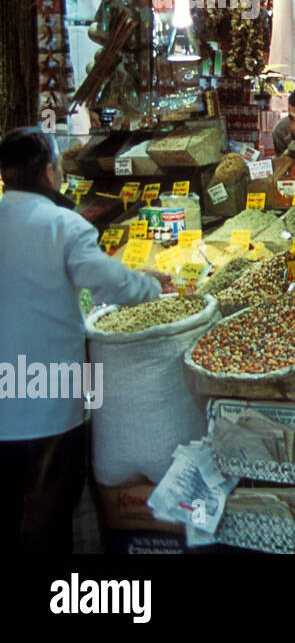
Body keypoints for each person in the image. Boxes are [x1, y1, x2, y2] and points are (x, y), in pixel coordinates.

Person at [0, 128, 162, 554]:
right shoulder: (63, 225)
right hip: (51, 394)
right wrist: (152, 286)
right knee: (49, 515)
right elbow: (112, 285)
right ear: (50, 173)